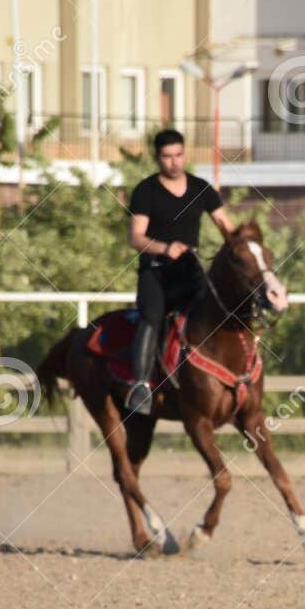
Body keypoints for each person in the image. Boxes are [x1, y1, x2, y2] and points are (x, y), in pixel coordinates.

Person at [125, 129, 237, 415]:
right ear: (157, 158)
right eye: (167, 157)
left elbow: (226, 226)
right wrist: (164, 248)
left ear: (184, 154)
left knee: (216, 311)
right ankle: (140, 386)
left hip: (191, 273)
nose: (174, 162)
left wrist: (242, 248)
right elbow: (136, 237)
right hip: (156, 273)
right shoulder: (146, 190)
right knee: (151, 317)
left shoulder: (201, 188)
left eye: (178, 155)